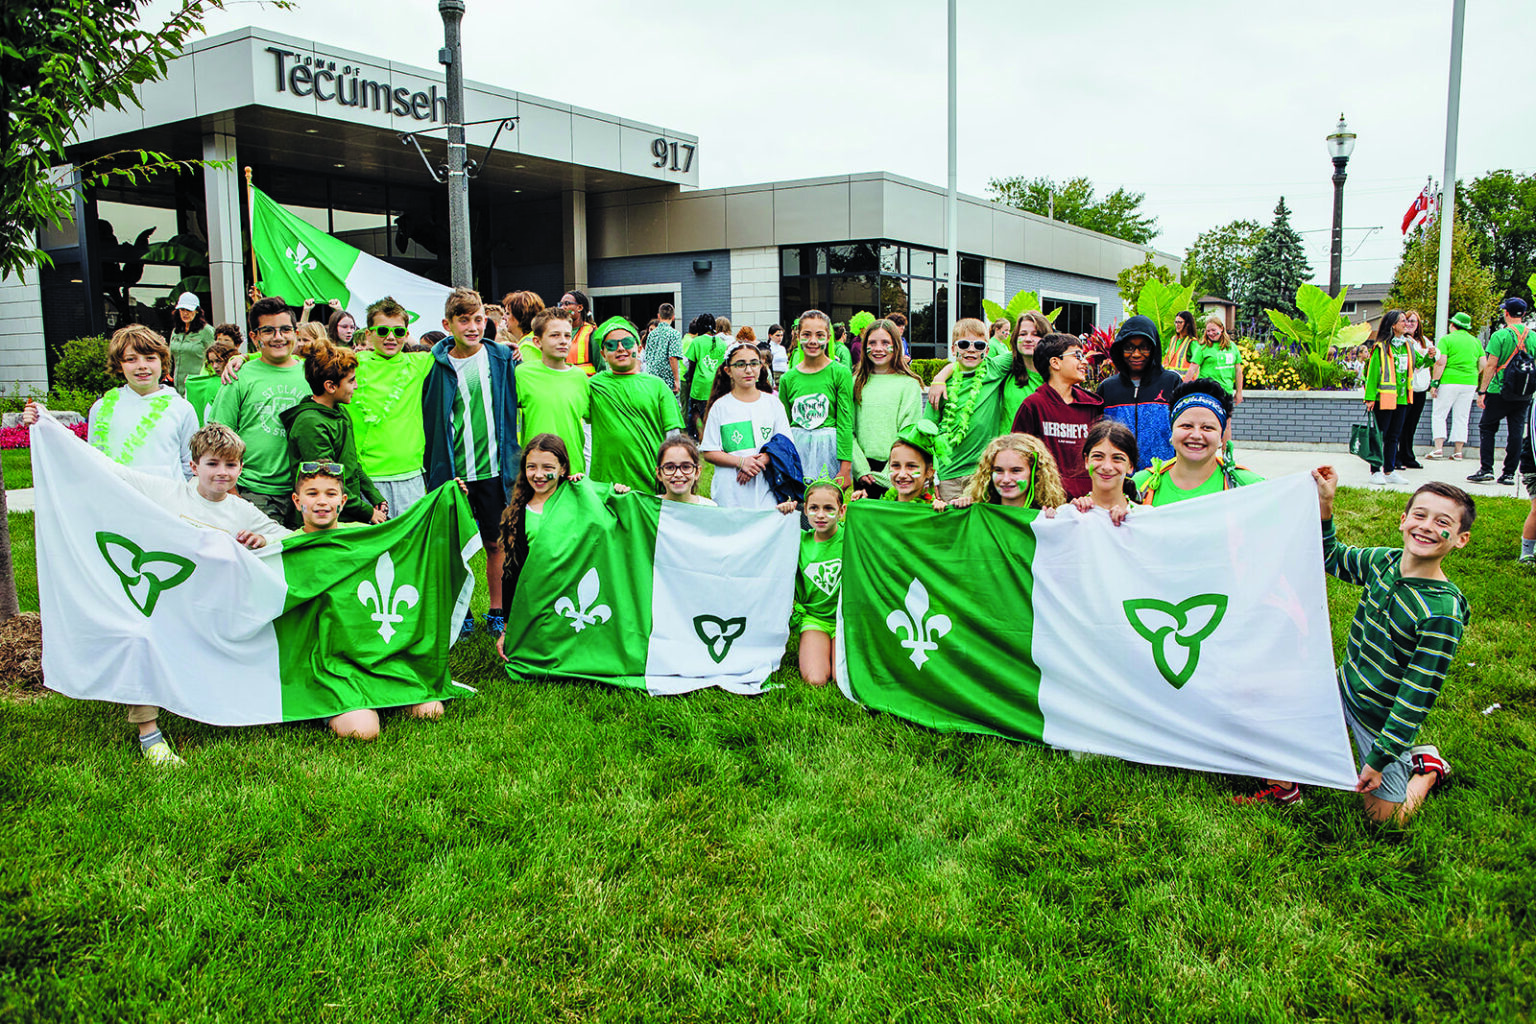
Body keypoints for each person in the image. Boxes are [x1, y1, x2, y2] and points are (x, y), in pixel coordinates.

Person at [21, 411, 288, 764]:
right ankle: (150, 735)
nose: (222, 472)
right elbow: (110, 471)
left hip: (212, 608)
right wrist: (48, 427)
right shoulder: (167, 492)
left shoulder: (242, 510)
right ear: (194, 466)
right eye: (213, 463)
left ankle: (235, 704)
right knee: (139, 636)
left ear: (241, 468)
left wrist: (261, 538)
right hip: (162, 604)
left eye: (231, 464)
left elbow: (284, 537)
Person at [1237, 473, 1470, 820]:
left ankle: (1427, 767)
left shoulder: (1442, 614)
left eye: (1443, 522)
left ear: (1460, 539)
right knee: (1257, 701)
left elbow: (1415, 697)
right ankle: (1286, 786)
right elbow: (1331, 556)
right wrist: (1325, 504)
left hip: (1379, 717)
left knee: (1385, 821)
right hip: (1341, 685)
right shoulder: (1383, 563)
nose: (1427, 527)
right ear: (1403, 520)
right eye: (1420, 515)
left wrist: (1379, 758)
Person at [287, 462, 447, 741]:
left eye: (330, 494)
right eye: (312, 494)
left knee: (431, 711)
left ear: (343, 500)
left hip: (376, 656)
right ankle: (338, 705)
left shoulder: (365, 536)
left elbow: (415, 544)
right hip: (327, 666)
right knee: (364, 730)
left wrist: (447, 500)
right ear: (297, 501)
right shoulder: (288, 547)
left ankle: (382, 691)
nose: (322, 501)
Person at [424, 287, 520, 637]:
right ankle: (459, 609)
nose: (472, 326)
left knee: (497, 542)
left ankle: (496, 609)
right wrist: (446, 475)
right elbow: (435, 425)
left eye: (478, 319)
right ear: (447, 324)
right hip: (457, 474)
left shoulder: (500, 358)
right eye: (463, 320)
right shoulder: (438, 367)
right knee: (456, 547)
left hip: (495, 471)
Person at [493, 434, 632, 659]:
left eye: (547, 467)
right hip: (542, 601)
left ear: (562, 468)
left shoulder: (578, 496)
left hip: (574, 590)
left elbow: (608, 526)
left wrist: (614, 493)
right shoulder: (519, 513)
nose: (538, 475)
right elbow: (512, 572)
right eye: (531, 467)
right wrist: (508, 629)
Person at [210, 297, 310, 521]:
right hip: (253, 491)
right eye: (268, 331)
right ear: (255, 337)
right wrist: (231, 491)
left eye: (285, 329)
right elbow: (218, 437)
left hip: (304, 490)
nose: (278, 337)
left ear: (295, 332)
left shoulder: (312, 374)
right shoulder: (238, 376)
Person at [280, 338, 386, 526]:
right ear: (330, 386)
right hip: (322, 521)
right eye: (351, 381)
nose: (356, 386)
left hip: (347, 513)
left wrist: (375, 496)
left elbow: (352, 465)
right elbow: (327, 480)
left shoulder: (340, 411)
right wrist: (367, 512)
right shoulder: (310, 424)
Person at [81, 324, 199, 481]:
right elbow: (96, 460)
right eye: (131, 359)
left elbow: (190, 463)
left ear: (162, 362)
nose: (142, 366)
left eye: (150, 358)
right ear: (119, 365)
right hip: (120, 499)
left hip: (167, 500)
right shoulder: (102, 408)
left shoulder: (182, 408)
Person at [587, 315, 685, 491]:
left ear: (639, 348)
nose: (620, 349)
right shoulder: (594, 385)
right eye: (611, 345)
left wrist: (672, 474)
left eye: (626, 343)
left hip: (649, 483)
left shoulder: (657, 386)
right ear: (603, 354)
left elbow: (673, 436)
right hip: (606, 487)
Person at [1133, 379, 1263, 505]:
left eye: (1207, 428)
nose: (1196, 435)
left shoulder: (1249, 487)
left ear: (1221, 436)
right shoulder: (1140, 485)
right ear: (1172, 431)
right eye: (1186, 426)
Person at [924, 319, 1013, 500]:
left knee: (977, 524)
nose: (971, 350)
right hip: (948, 473)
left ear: (987, 351)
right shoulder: (942, 385)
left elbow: (1027, 347)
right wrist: (933, 476)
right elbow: (927, 430)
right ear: (953, 349)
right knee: (951, 525)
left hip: (981, 472)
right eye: (964, 344)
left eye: (979, 345)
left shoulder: (993, 369)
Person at [700, 339, 793, 508]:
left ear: (761, 366)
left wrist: (760, 461)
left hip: (765, 490)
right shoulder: (720, 407)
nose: (748, 370)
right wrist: (741, 462)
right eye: (740, 364)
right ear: (728, 370)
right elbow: (709, 451)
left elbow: (785, 444)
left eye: (753, 363)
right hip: (730, 492)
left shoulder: (773, 404)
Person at [1011, 332, 1104, 499]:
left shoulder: (1093, 406)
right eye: (1077, 355)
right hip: (1046, 500)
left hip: (1088, 500)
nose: (1084, 361)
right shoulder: (1033, 405)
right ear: (1055, 362)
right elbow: (1017, 455)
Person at [777, 309, 855, 487]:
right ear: (797, 336)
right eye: (806, 334)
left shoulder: (840, 373)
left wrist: (845, 468)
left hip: (828, 450)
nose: (813, 341)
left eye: (819, 335)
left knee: (825, 506)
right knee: (799, 507)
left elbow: (845, 422)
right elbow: (783, 424)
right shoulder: (788, 379)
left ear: (828, 337)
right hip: (797, 450)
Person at [1096, 314, 1181, 471]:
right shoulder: (1108, 388)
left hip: (1162, 475)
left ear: (1154, 349)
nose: (1136, 354)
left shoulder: (1171, 382)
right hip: (1118, 477)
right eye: (1129, 347)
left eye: (1144, 347)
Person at [850, 318, 923, 498]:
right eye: (872, 343)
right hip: (864, 473)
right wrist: (861, 468)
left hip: (897, 472)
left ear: (896, 346)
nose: (878, 349)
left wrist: (890, 471)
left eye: (885, 343)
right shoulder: (855, 383)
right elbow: (847, 429)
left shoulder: (909, 384)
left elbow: (909, 430)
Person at [1469, 297, 1534, 486]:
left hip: (1499, 390)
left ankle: (1486, 468)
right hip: (1523, 392)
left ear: (1506, 313)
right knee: (1516, 431)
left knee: (1487, 428)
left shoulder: (1500, 336)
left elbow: (1491, 365)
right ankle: (1509, 474)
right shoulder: (1534, 336)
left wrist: (1482, 392)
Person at [516, 307, 590, 475]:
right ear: (537, 342)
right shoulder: (522, 374)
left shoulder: (580, 378)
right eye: (555, 335)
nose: (563, 341)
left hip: (573, 469)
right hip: (537, 470)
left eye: (567, 335)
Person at [793, 479, 845, 687]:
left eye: (829, 508)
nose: (821, 515)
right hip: (814, 619)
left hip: (845, 619)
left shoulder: (851, 536)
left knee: (841, 677)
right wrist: (783, 513)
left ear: (842, 511)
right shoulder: (797, 540)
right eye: (814, 508)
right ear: (805, 510)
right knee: (816, 679)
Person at [1364, 309, 1414, 486]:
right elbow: (1372, 374)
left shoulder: (1407, 346)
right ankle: (1376, 470)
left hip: (1401, 399)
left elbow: (1415, 366)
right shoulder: (1381, 347)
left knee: (1394, 436)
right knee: (1380, 435)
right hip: (1384, 398)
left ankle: (1390, 470)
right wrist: (1370, 397)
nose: (1406, 324)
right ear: (1393, 325)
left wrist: (1431, 358)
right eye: (1402, 321)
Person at [1427, 311, 1483, 462]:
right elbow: (1483, 363)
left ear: (1453, 325)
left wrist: (1434, 383)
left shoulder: (1446, 339)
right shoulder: (1475, 342)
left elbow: (1441, 362)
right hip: (1470, 382)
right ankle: (1458, 451)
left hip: (1449, 380)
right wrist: (1474, 373)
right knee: (1462, 416)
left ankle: (1438, 449)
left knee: (1440, 414)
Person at [964, 433, 1066, 513]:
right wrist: (956, 509)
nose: (1006, 479)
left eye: (1016, 471)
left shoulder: (1047, 517)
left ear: (1035, 473)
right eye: (998, 470)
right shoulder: (975, 513)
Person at [1067, 419, 1140, 524]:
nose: (1107, 467)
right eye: (1098, 456)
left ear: (1131, 466)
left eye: (1117, 458)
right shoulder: (1070, 514)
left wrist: (1131, 521)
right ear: (1087, 461)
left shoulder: (1144, 517)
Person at [1396, 309, 1436, 469]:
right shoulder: (1401, 341)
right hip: (1406, 388)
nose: (1410, 324)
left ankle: (1408, 454)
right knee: (1401, 424)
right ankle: (1396, 455)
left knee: (1412, 425)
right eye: (1407, 321)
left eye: (1413, 321)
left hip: (1420, 389)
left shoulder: (1424, 341)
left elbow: (1431, 359)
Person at [1187, 316, 1243, 418]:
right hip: (1208, 390)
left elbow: (1238, 370)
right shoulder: (1203, 347)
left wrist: (1239, 392)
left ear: (1221, 329)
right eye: (1208, 331)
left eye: (1214, 330)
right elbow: (1192, 368)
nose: (1211, 333)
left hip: (1226, 390)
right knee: (1209, 420)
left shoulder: (1232, 347)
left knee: (1226, 422)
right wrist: (1184, 388)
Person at [681, 312, 723, 438]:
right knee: (712, 413)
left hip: (699, 384)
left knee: (695, 412)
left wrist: (690, 382)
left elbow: (691, 364)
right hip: (716, 384)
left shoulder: (696, 342)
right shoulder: (721, 342)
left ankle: (700, 436)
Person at [167, 291, 215, 395]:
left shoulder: (206, 331)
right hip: (177, 387)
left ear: (197, 311)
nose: (185, 313)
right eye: (182, 310)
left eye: (189, 310)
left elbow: (216, 357)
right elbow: (170, 357)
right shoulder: (176, 331)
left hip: (198, 386)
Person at [185, 338, 237, 426]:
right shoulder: (211, 382)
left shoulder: (239, 378)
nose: (215, 366)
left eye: (219, 361)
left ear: (228, 359)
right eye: (211, 362)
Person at [656, 435, 715, 505]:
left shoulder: (709, 507)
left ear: (697, 472)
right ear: (659, 473)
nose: (678, 474)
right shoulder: (649, 508)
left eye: (686, 467)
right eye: (670, 467)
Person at [642, 301, 685, 394]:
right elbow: (672, 357)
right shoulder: (674, 334)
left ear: (658, 316)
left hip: (651, 377)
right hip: (667, 379)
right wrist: (677, 380)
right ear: (673, 317)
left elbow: (647, 356)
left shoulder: (651, 334)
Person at [557, 290, 598, 375]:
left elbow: (601, 367)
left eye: (567, 303)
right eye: (561, 304)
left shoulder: (591, 333)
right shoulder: (557, 333)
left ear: (579, 308)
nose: (562, 307)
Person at [503, 290, 546, 363]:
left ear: (520, 316)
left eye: (508, 313)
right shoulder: (532, 339)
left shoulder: (527, 347)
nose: (503, 317)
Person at [1166, 310, 1198, 375]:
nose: (1177, 325)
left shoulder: (1192, 342)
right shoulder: (1173, 339)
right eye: (1176, 322)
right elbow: (1166, 359)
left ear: (1188, 324)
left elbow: (1197, 364)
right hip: (1171, 381)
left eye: (1180, 322)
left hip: (1184, 382)